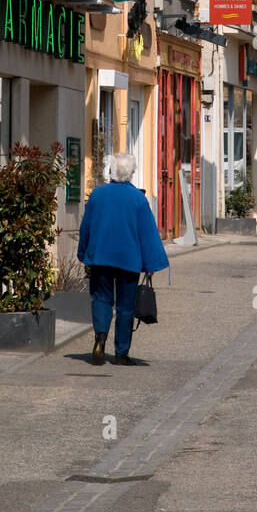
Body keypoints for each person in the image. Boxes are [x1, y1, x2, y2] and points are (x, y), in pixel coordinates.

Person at [77, 151, 169, 366]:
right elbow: (147, 234)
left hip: (100, 257)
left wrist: (84, 253)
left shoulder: (98, 195)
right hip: (129, 260)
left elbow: (86, 227)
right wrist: (151, 263)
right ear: (132, 173)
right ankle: (121, 353)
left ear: (111, 171)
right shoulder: (138, 198)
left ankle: (100, 337)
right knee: (125, 307)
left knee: (101, 299)